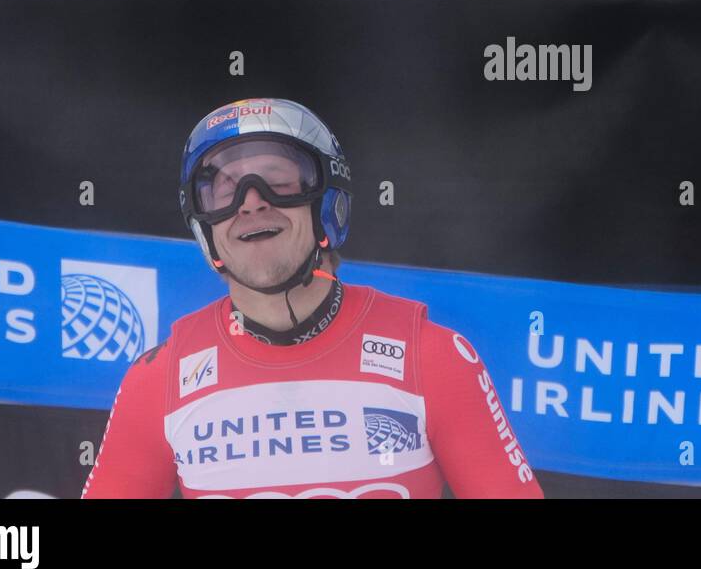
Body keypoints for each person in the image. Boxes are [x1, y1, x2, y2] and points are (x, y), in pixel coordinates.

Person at [82, 98, 542, 499]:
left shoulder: (433, 358)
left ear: (325, 203)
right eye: (224, 189)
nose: (251, 203)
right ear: (204, 226)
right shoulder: (158, 380)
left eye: (278, 183)